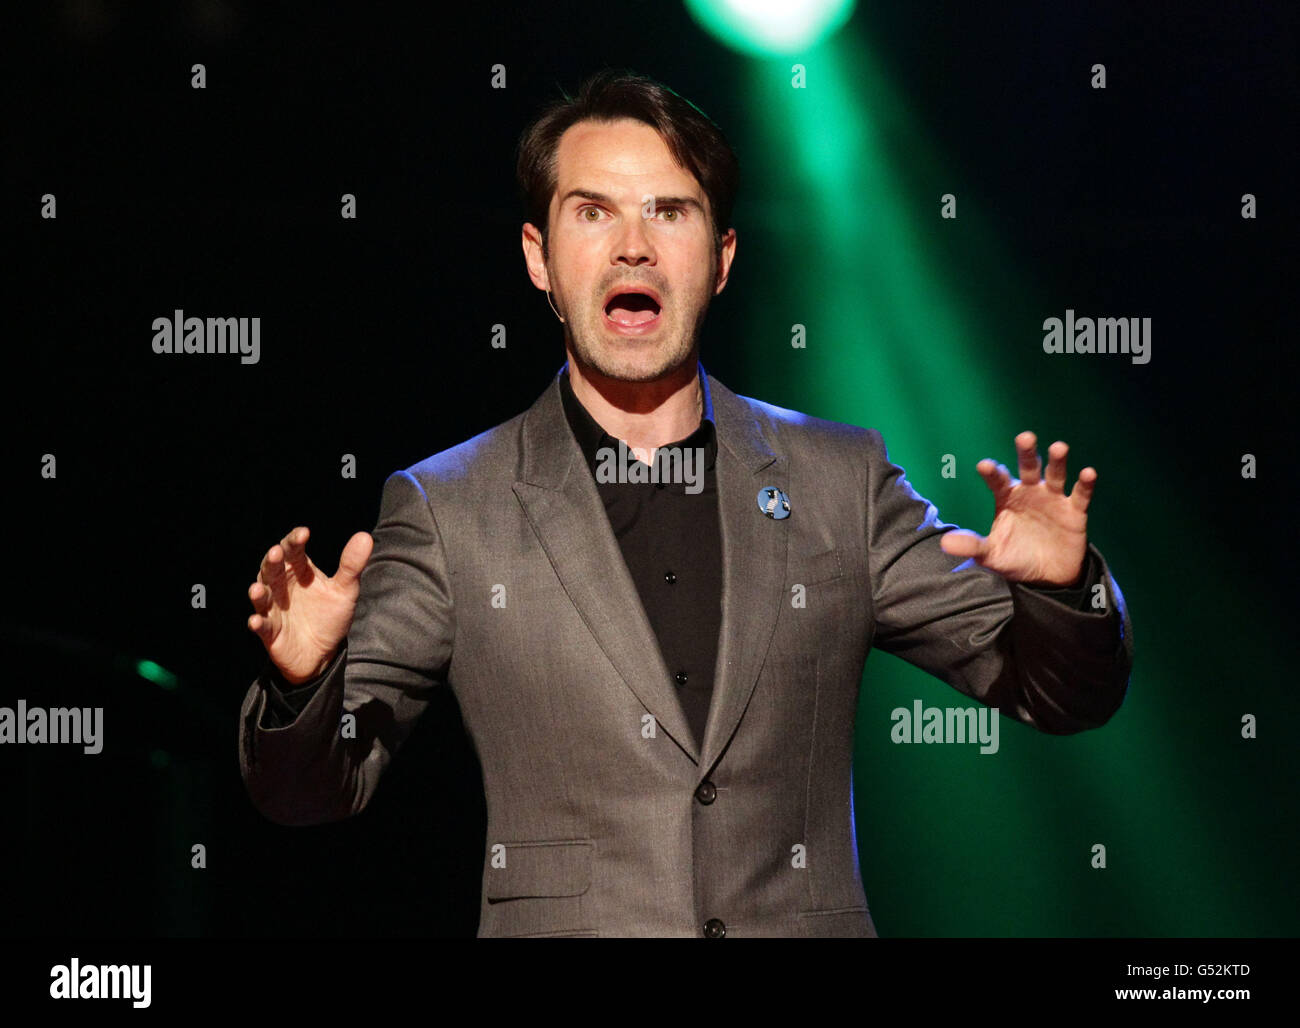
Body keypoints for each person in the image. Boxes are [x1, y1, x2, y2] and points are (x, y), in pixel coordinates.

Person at [239, 69, 1133, 938]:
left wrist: (1062, 592)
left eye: (670, 211)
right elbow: (311, 791)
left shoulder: (840, 480)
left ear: (721, 260)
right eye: (593, 213)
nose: (634, 245)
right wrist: (302, 684)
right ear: (538, 259)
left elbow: (1063, 696)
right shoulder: (450, 506)